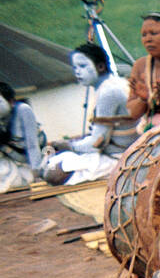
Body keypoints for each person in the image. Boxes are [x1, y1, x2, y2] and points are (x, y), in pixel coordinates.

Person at [40, 44, 135, 186]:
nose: (78, 72)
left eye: (83, 66)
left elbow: (97, 143)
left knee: (52, 173)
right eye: (75, 68)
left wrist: (69, 146)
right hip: (118, 152)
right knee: (51, 160)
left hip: (119, 158)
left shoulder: (109, 92)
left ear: (101, 67)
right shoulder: (114, 84)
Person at [0, 82, 45, 192]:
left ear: (10, 101)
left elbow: (33, 145)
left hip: (37, 157)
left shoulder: (23, 110)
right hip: (15, 160)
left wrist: (37, 175)